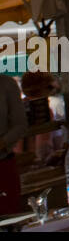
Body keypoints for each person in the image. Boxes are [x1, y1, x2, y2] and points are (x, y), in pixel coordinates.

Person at [0, 73, 25, 214]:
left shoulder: (6, 84)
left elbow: (20, 124)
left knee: (9, 218)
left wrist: (3, 142)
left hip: (3, 165)